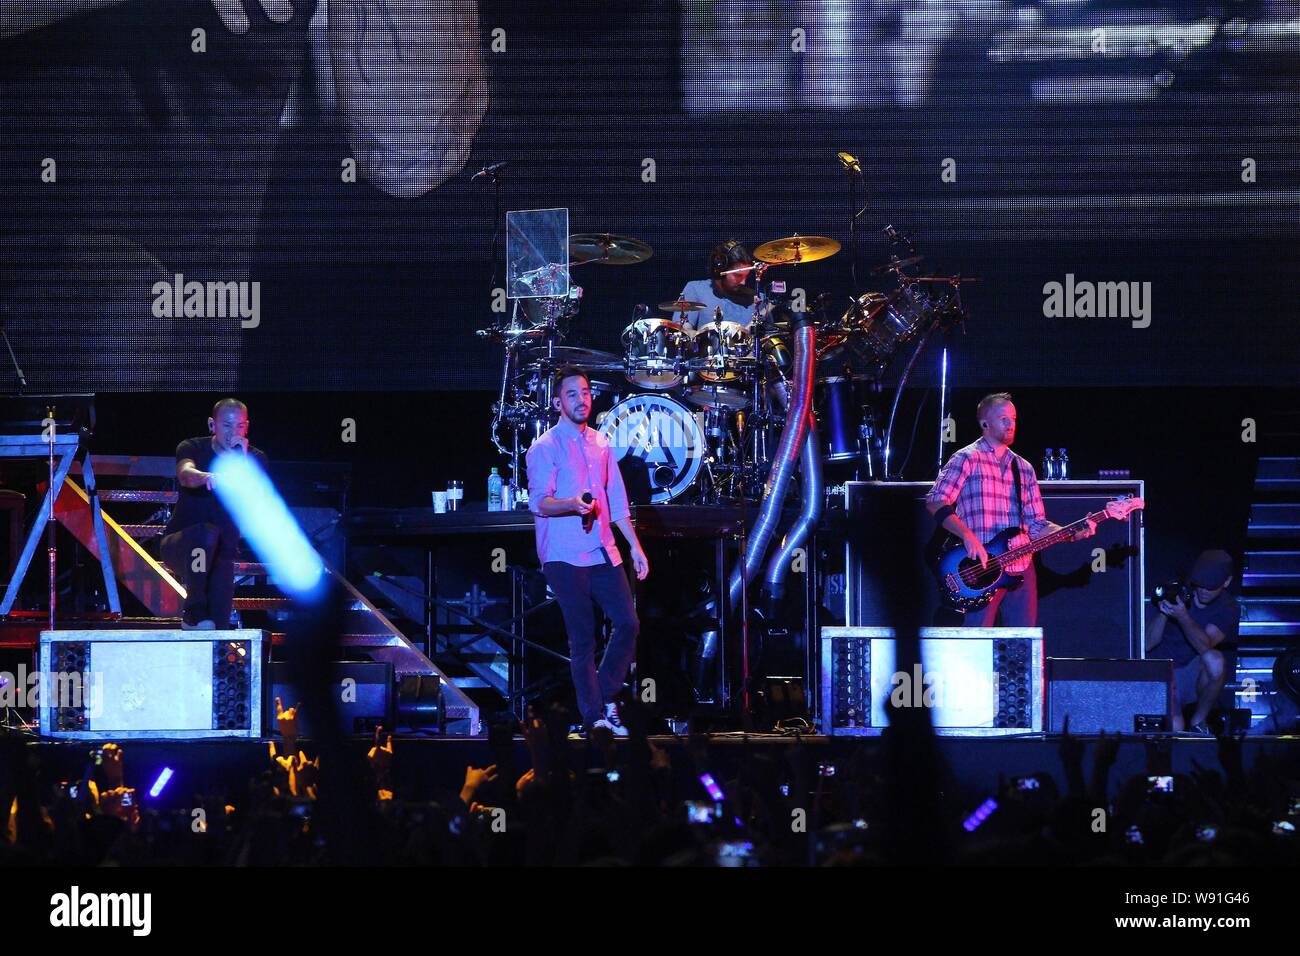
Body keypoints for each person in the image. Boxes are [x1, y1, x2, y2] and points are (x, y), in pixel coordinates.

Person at [526, 367, 649, 737]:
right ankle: (593, 717)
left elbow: (618, 502)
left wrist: (636, 548)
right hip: (563, 554)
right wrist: (571, 504)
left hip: (601, 549)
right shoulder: (544, 448)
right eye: (572, 394)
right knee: (583, 637)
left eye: (585, 393)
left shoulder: (601, 444)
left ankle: (607, 695)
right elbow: (539, 503)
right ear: (558, 402)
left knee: (628, 623)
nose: (581, 400)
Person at [925, 392, 1094, 626]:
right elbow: (936, 500)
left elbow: (1037, 525)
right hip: (980, 568)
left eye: (1013, 419)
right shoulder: (966, 458)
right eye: (1004, 418)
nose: (1011, 424)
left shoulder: (1023, 468)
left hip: (1022, 565)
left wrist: (1071, 532)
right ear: (985, 423)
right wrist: (967, 536)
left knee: (1022, 646)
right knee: (977, 642)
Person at [160, 399, 268, 629]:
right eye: (227, 425)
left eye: (239, 426)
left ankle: (202, 633)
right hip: (182, 545)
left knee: (216, 626)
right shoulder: (192, 447)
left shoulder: (255, 459)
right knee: (205, 533)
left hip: (221, 556)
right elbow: (186, 474)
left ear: (246, 427)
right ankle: (194, 609)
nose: (233, 433)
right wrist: (207, 477)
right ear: (212, 425)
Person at [1145, 549, 1239, 734]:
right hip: (1161, 670)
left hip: (1190, 674)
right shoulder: (1178, 590)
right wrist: (1164, 611)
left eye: (1211, 586)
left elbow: (1205, 646)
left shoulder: (1228, 608)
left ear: (1226, 582)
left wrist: (1183, 616)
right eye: (1200, 584)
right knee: (1176, 727)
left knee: (1215, 659)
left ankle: (1198, 721)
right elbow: (1147, 644)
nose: (1203, 590)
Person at [676, 240, 758, 330]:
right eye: (738, 275)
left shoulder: (757, 299)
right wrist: (686, 331)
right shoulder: (696, 289)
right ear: (720, 270)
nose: (743, 282)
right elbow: (683, 330)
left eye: (746, 275)